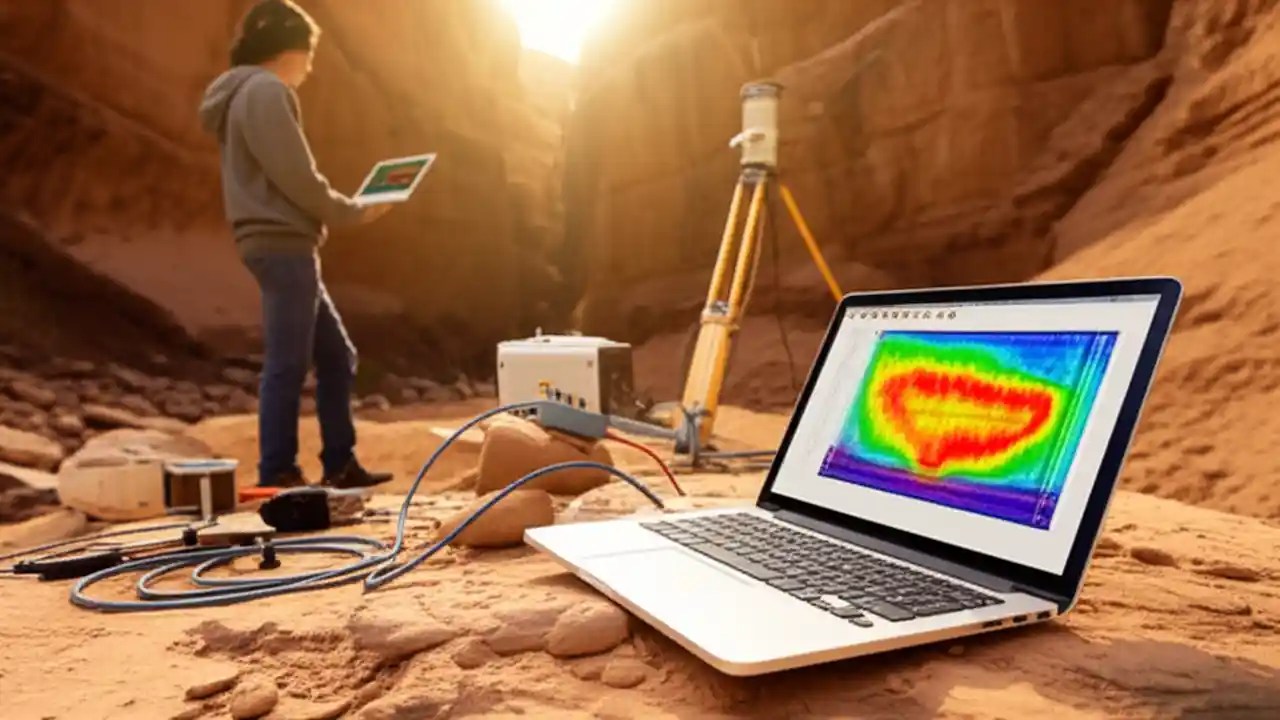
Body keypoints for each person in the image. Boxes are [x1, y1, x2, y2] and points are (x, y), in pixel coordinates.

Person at [198, 0, 391, 489]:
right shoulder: (266, 91)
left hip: (273, 241)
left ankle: (339, 463)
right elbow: (298, 178)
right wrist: (354, 210)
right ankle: (277, 472)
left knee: (336, 355)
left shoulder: (239, 94)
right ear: (293, 49)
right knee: (288, 361)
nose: (310, 65)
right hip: (282, 243)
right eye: (309, 54)